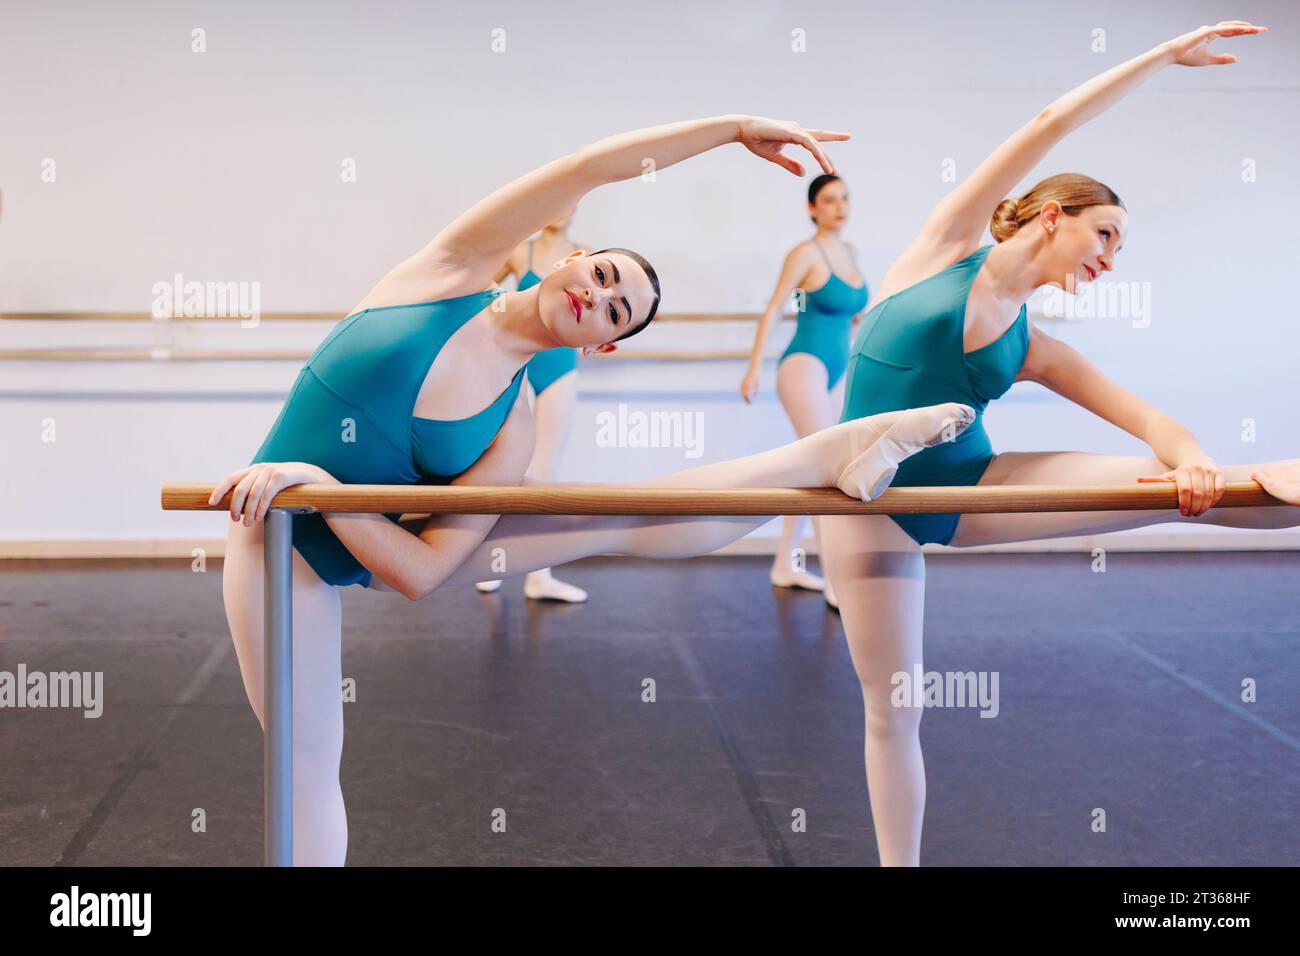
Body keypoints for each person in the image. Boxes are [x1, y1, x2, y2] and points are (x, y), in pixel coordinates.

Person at [214, 112, 975, 865]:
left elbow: (420, 566)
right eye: (603, 275)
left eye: (616, 312)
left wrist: (317, 484)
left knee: (627, 516)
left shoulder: (511, 426)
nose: (597, 296)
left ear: (601, 344)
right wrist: (732, 129)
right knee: (306, 764)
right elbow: (586, 167)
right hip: (280, 544)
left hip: (355, 525)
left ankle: (828, 453)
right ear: (574, 256)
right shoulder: (446, 273)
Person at [819, 20, 1295, 866]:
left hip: (968, 487)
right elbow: (1049, 123)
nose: (1112, 255)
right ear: (1051, 215)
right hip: (865, 503)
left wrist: (1186, 459)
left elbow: (1148, 419)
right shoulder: (942, 251)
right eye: (1105, 234)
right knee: (895, 708)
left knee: (1192, 488)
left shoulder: (1032, 345)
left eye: (1120, 245)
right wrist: (1160, 57)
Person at [742, 174, 869, 608]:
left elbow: (855, 316)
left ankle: (786, 563)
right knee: (827, 470)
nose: (840, 206)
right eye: (830, 200)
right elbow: (775, 308)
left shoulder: (851, 255)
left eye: (845, 199)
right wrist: (754, 367)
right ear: (812, 208)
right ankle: (836, 578)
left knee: (814, 470)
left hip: (836, 369)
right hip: (803, 366)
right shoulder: (804, 254)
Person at [475, 209, 588, 602]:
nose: (564, 212)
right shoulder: (520, 254)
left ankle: (540, 575)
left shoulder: (584, 255)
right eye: (561, 203)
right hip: (518, 366)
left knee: (545, 472)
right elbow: (480, 288)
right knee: (504, 470)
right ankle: (493, 563)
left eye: (572, 205)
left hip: (560, 369)